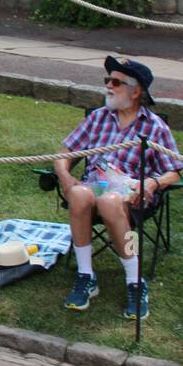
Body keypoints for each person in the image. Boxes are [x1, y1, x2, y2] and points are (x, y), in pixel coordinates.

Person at [57, 57, 179, 320]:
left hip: (132, 193)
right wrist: (65, 176)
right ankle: (86, 276)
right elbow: (64, 152)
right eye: (107, 81)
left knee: (110, 202)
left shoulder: (154, 126)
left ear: (136, 92)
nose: (108, 86)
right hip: (96, 186)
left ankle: (136, 282)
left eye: (116, 82)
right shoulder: (98, 118)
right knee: (79, 193)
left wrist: (153, 182)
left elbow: (176, 170)